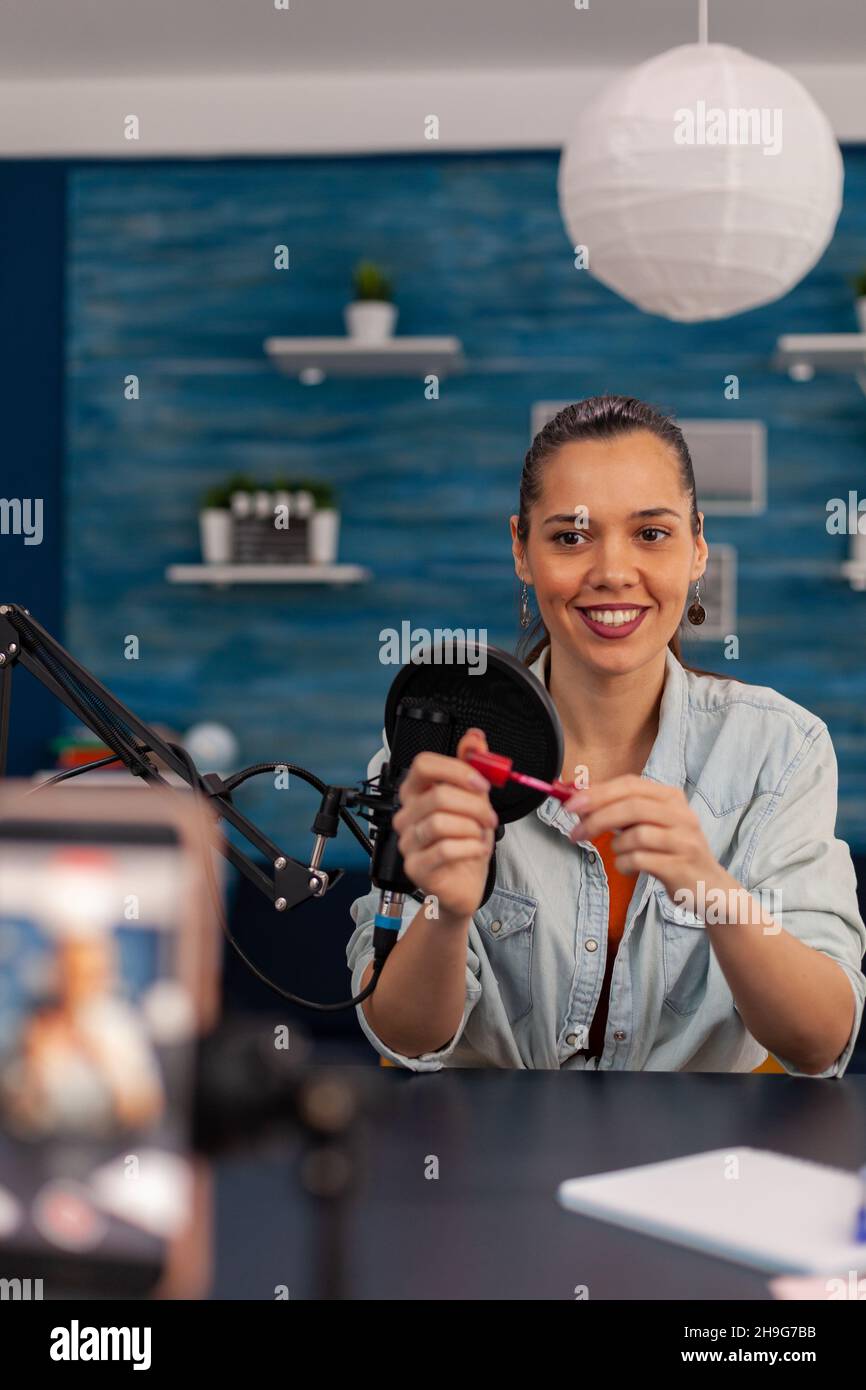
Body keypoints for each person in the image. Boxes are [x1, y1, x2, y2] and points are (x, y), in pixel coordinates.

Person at [346, 395, 866, 1075]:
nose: (613, 571)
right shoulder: (437, 747)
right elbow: (402, 1037)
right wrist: (447, 912)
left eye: (651, 534)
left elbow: (822, 1040)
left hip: (699, 1171)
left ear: (698, 546)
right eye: (570, 536)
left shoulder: (781, 749)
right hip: (486, 1167)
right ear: (521, 550)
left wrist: (713, 889)